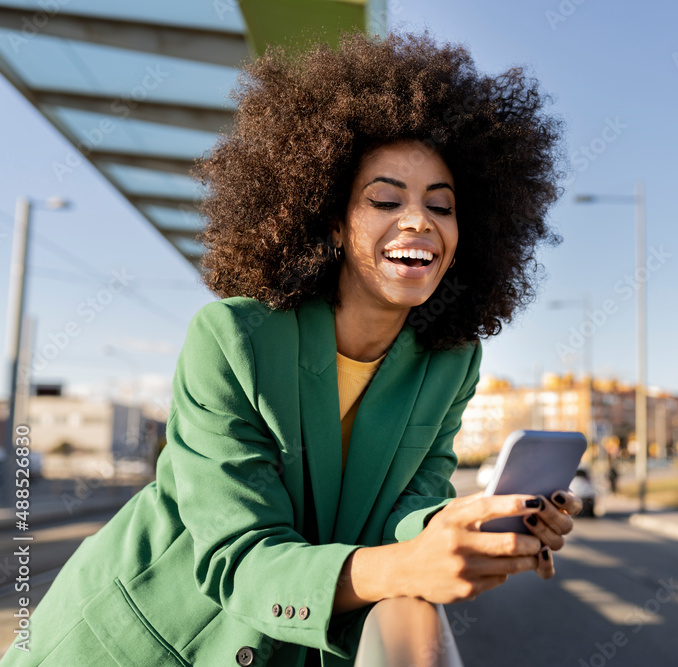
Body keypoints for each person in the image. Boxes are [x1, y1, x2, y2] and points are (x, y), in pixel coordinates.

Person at [1, 30, 577, 666]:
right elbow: (238, 557)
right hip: (131, 648)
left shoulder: (451, 362)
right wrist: (407, 566)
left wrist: (469, 526)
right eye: (386, 200)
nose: (418, 220)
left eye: (440, 206)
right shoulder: (232, 339)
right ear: (333, 223)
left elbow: (410, 506)